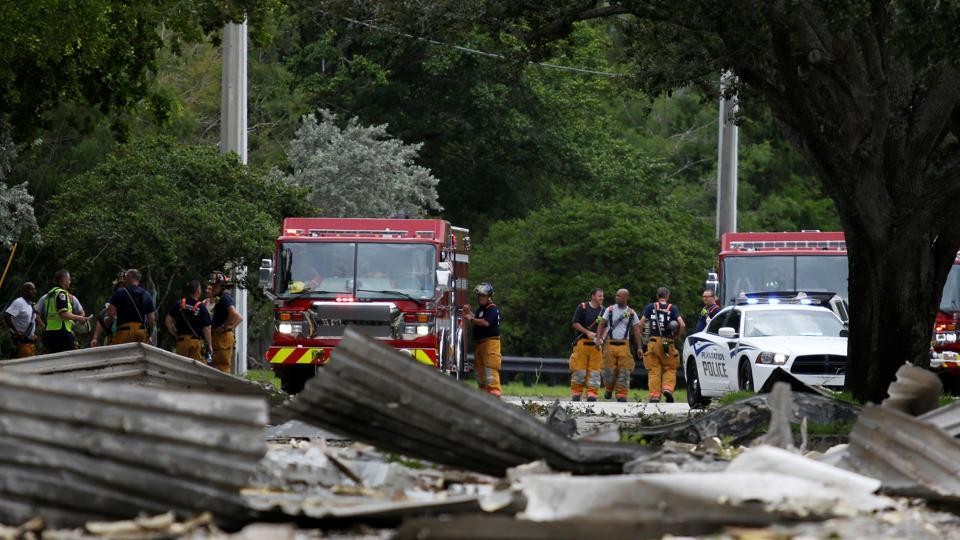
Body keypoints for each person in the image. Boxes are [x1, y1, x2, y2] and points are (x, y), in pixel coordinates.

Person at [638, 287, 686, 403]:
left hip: (653, 342)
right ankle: (668, 389)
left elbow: (640, 323)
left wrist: (644, 337)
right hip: (667, 342)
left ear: (657, 296)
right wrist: (676, 336)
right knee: (670, 367)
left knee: (654, 370)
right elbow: (682, 324)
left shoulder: (650, 307)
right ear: (668, 296)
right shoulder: (672, 308)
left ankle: (654, 396)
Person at [596, 288, 642, 402]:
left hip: (624, 345)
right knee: (608, 371)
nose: (616, 298)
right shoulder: (610, 309)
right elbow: (601, 324)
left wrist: (639, 347)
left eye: (619, 296)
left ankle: (621, 394)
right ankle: (609, 388)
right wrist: (597, 339)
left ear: (626, 298)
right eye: (616, 296)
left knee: (624, 371)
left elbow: (636, 329)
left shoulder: (631, 312)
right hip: (609, 345)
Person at [462, 282, 501, 396]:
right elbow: (478, 318)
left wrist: (471, 319)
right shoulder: (481, 310)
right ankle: (483, 391)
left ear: (489, 297)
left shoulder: (492, 309)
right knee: (480, 370)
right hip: (480, 344)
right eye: (479, 296)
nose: (480, 298)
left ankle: (494, 391)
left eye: (483, 296)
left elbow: (485, 322)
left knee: (490, 367)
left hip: (490, 343)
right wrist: (469, 313)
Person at [165, 280, 214, 363]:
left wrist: (176, 333)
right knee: (196, 369)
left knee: (181, 366)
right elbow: (206, 328)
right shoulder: (201, 307)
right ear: (198, 291)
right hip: (196, 343)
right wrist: (209, 345)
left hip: (182, 342)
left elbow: (168, 321)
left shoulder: (179, 304)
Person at [569, 288, 605, 402]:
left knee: (594, 371)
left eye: (602, 296)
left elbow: (607, 326)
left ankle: (592, 395)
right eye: (600, 296)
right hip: (582, 344)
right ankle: (576, 394)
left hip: (596, 346)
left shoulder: (604, 310)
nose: (602, 298)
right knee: (579, 371)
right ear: (593, 296)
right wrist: (587, 332)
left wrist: (602, 338)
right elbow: (575, 323)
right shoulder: (582, 307)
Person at [40, 270, 86, 353]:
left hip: (50, 333)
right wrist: (79, 318)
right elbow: (63, 314)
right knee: (68, 360)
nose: (70, 282)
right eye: (69, 279)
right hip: (62, 333)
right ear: (64, 279)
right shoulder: (61, 293)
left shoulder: (50, 294)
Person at [108, 269, 156, 344]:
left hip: (124, 331)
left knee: (121, 355)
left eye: (125, 277)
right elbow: (152, 319)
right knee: (138, 355)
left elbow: (111, 313)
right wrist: (149, 334)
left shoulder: (120, 292)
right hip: (141, 332)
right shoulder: (147, 294)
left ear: (128, 277)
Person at [209, 271, 243, 374]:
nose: (212, 288)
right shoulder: (221, 299)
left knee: (222, 368)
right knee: (217, 366)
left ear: (222, 287)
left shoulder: (225, 298)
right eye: (212, 286)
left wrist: (224, 327)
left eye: (215, 286)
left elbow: (237, 316)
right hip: (221, 337)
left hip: (222, 338)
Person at [3, 282, 41, 358]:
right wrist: (16, 331)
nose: (34, 291)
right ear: (24, 291)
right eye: (31, 289)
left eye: (34, 289)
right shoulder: (19, 302)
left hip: (30, 343)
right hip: (21, 342)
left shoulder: (30, 304)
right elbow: (6, 315)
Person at [91, 272, 125, 347]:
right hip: (113, 339)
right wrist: (95, 338)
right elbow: (101, 320)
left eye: (123, 286)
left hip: (129, 338)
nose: (121, 288)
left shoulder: (136, 300)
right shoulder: (110, 304)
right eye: (119, 286)